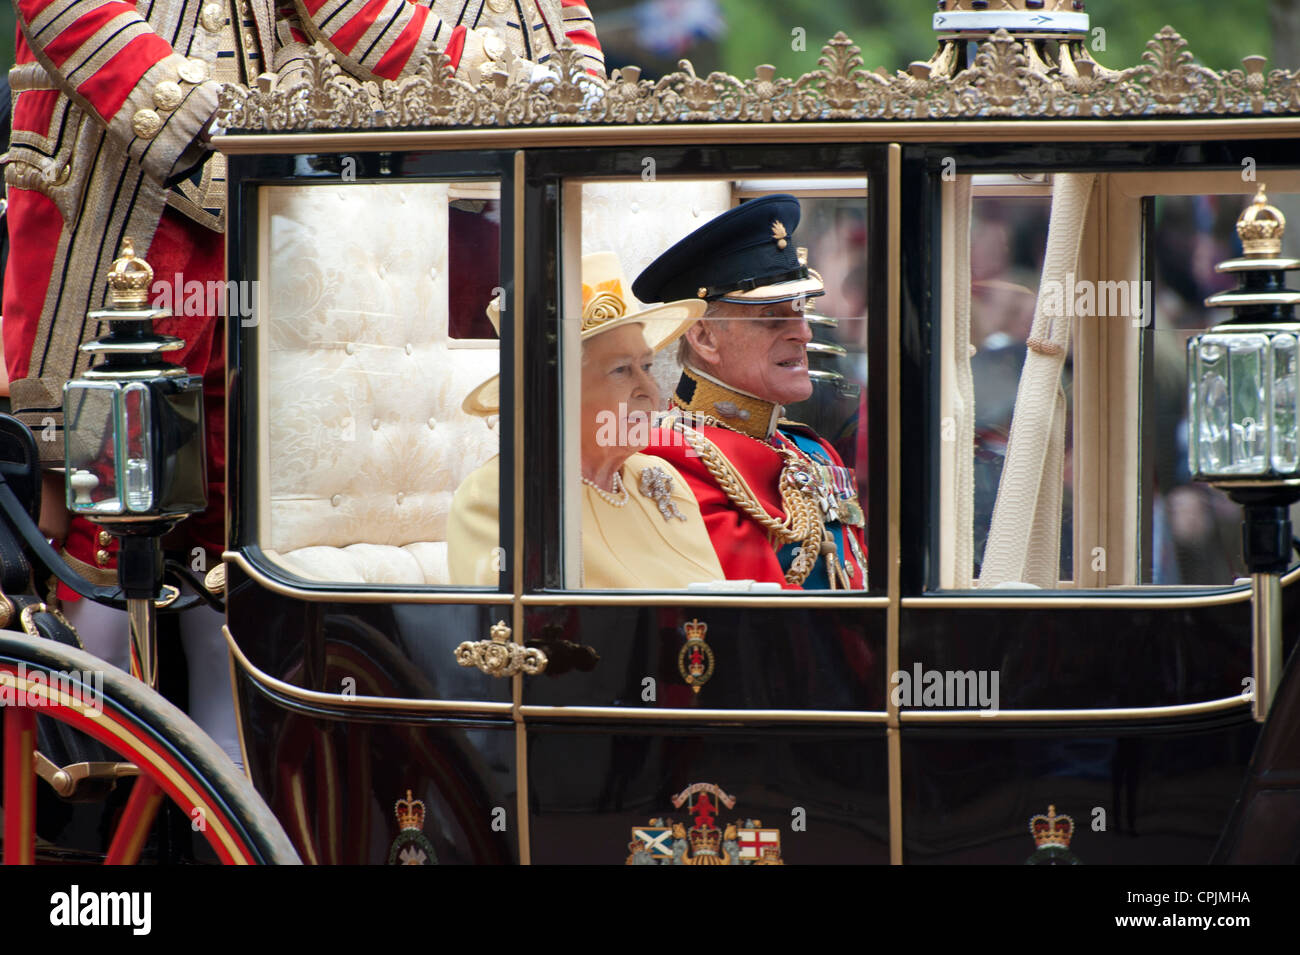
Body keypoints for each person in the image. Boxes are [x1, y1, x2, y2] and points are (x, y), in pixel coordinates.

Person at [3, 0, 604, 767]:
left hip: (278, 194)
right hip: (118, 184)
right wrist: (193, 113)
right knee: (96, 488)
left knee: (240, 504)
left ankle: (225, 782)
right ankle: (72, 777)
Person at [632, 194, 867, 590]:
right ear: (704, 337)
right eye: (772, 317)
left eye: (801, 310)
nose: (803, 332)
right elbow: (760, 616)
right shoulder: (671, 457)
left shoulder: (810, 448)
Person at [448, 252, 724, 588]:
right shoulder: (498, 496)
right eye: (621, 370)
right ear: (556, 390)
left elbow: (716, 603)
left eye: (647, 367)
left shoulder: (659, 477)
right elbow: (516, 618)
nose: (650, 391)